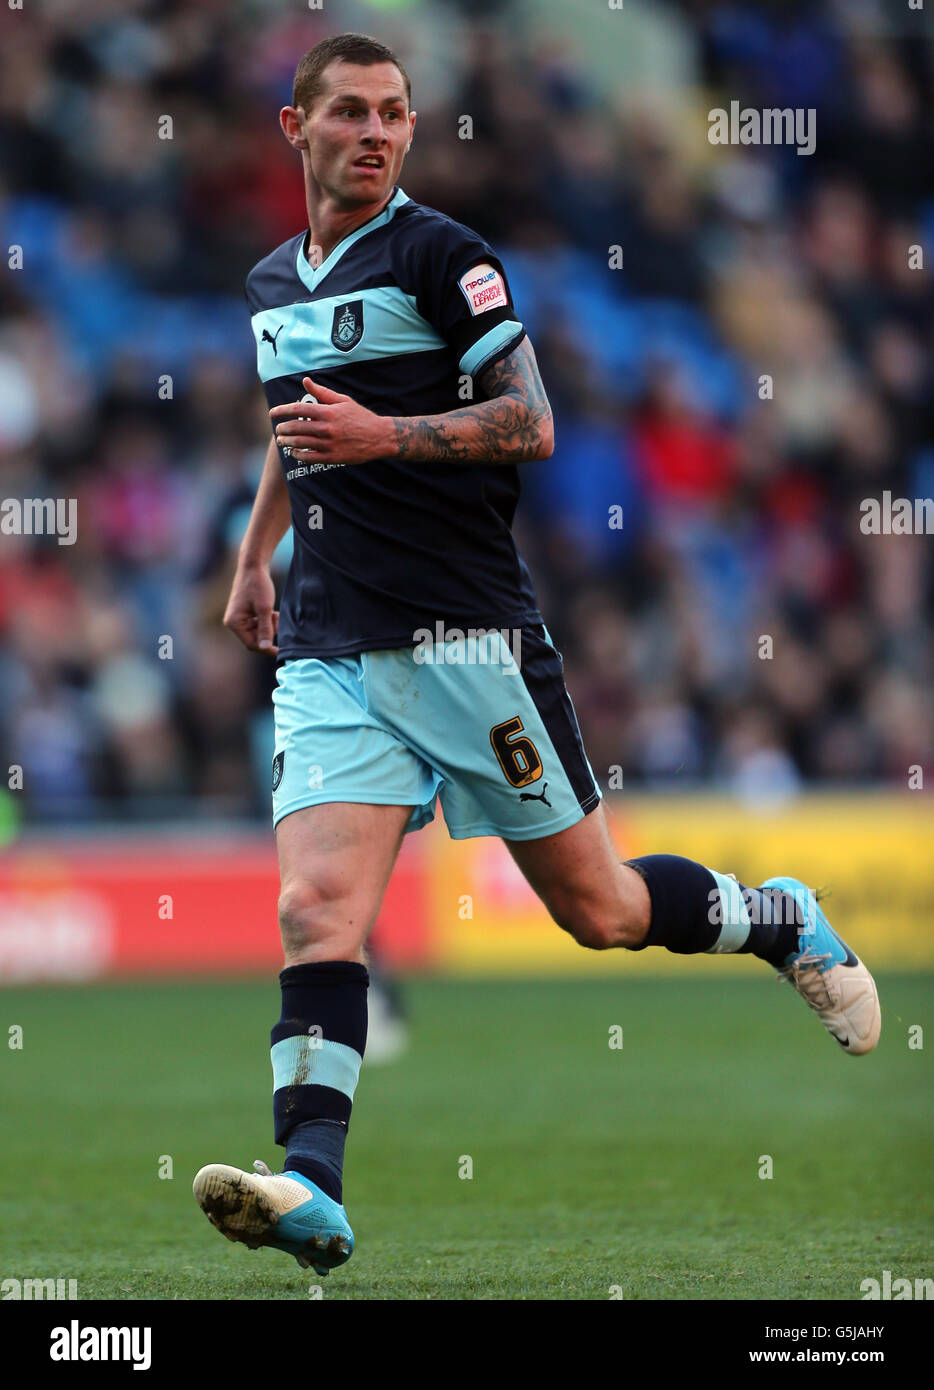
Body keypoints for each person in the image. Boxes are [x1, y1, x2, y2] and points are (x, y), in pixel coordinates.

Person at [193, 33, 880, 1277]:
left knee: (602, 910)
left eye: (395, 113)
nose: (375, 132)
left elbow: (531, 419)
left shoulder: (446, 258)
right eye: (347, 112)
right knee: (313, 909)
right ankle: (311, 1183)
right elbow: (295, 424)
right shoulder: (270, 283)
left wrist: (386, 436)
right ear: (294, 129)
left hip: (468, 643)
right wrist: (256, 554)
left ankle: (781, 920)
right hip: (335, 642)